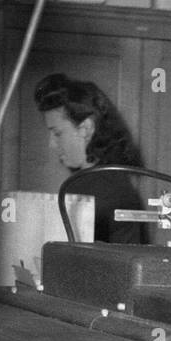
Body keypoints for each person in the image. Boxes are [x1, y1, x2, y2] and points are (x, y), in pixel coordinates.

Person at [33, 72, 146, 244]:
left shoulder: (102, 190)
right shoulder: (100, 182)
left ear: (85, 128)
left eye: (57, 133)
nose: (52, 144)